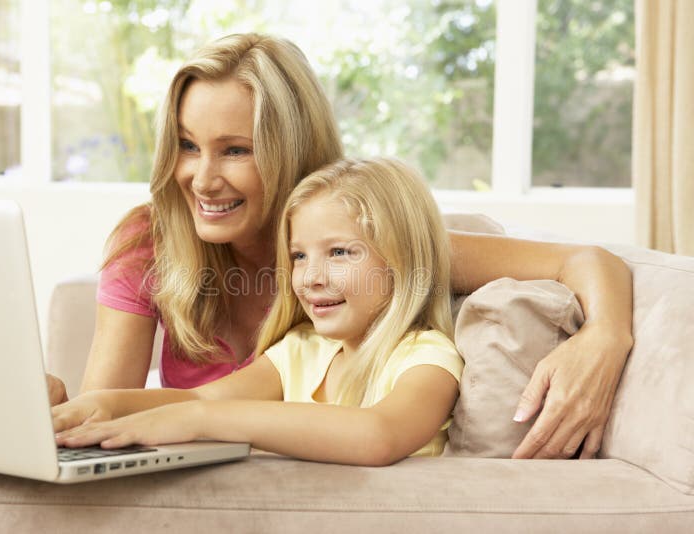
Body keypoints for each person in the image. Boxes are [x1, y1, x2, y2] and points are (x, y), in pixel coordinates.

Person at [47, 33, 634, 461]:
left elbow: (586, 260)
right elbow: (114, 409)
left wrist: (605, 336)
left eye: (235, 150)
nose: (202, 179)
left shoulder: (379, 243)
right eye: (186, 145)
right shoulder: (158, 249)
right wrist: (55, 415)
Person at [54, 157, 464, 464]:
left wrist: (200, 421)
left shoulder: (426, 356)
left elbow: (379, 435)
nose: (311, 278)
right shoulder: (301, 349)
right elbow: (200, 397)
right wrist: (106, 405)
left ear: (404, 261)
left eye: (339, 252)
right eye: (299, 256)